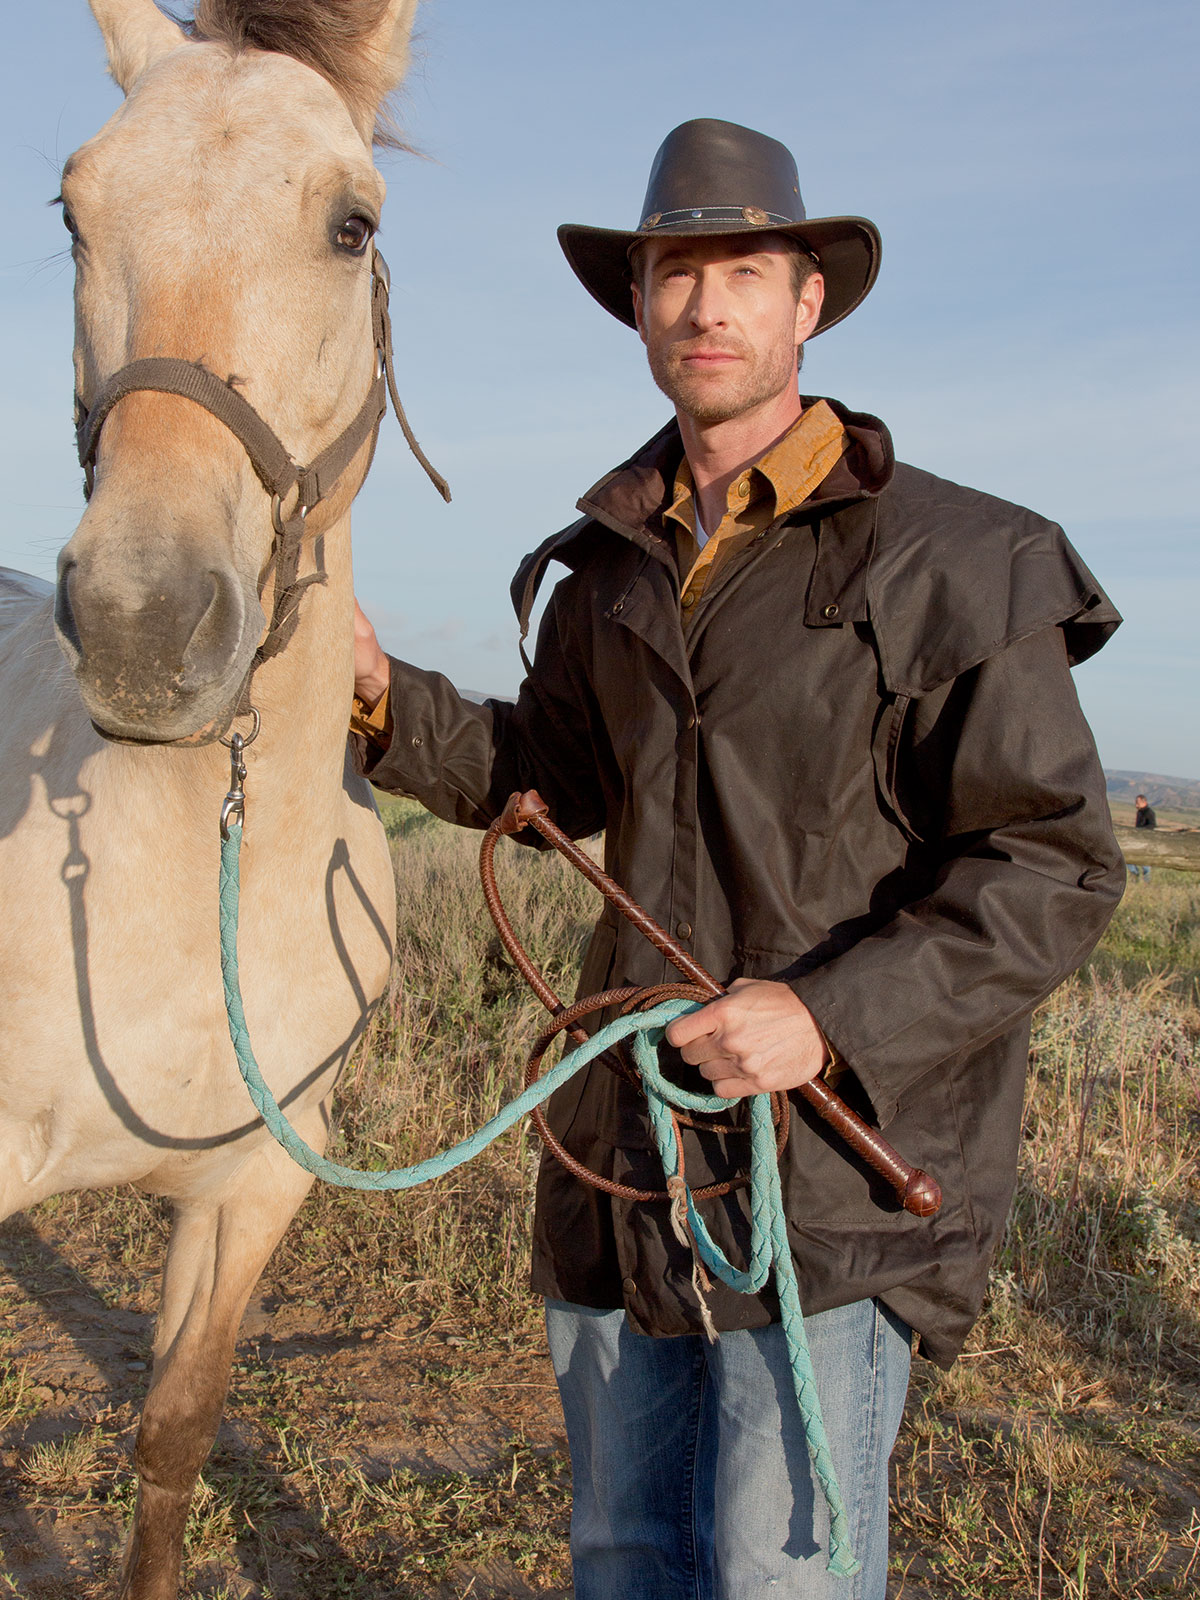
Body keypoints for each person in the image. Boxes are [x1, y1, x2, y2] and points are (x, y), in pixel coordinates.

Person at [350, 119, 1124, 1599]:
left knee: (780, 1580)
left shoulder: (958, 559)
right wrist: (385, 698)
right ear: (638, 306)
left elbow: (1050, 863)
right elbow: (549, 781)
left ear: (806, 303)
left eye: (743, 271)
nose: (705, 307)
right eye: (673, 273)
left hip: (827, 1175)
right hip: (628, 1161)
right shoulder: (612, 568)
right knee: (625, 1557)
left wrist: (827, 1016)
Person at [1129, 792, 1157, 880]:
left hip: (1146, 840)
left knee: (1145, 863)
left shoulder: (1149, 812)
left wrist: (1141, 831)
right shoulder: (1140, 812)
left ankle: (1146, 881)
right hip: (1138, 839)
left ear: (1144, 802)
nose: (1136, 804)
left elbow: (1152, 825)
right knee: (1129, 859)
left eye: (1137, 802)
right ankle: (1135, 875)